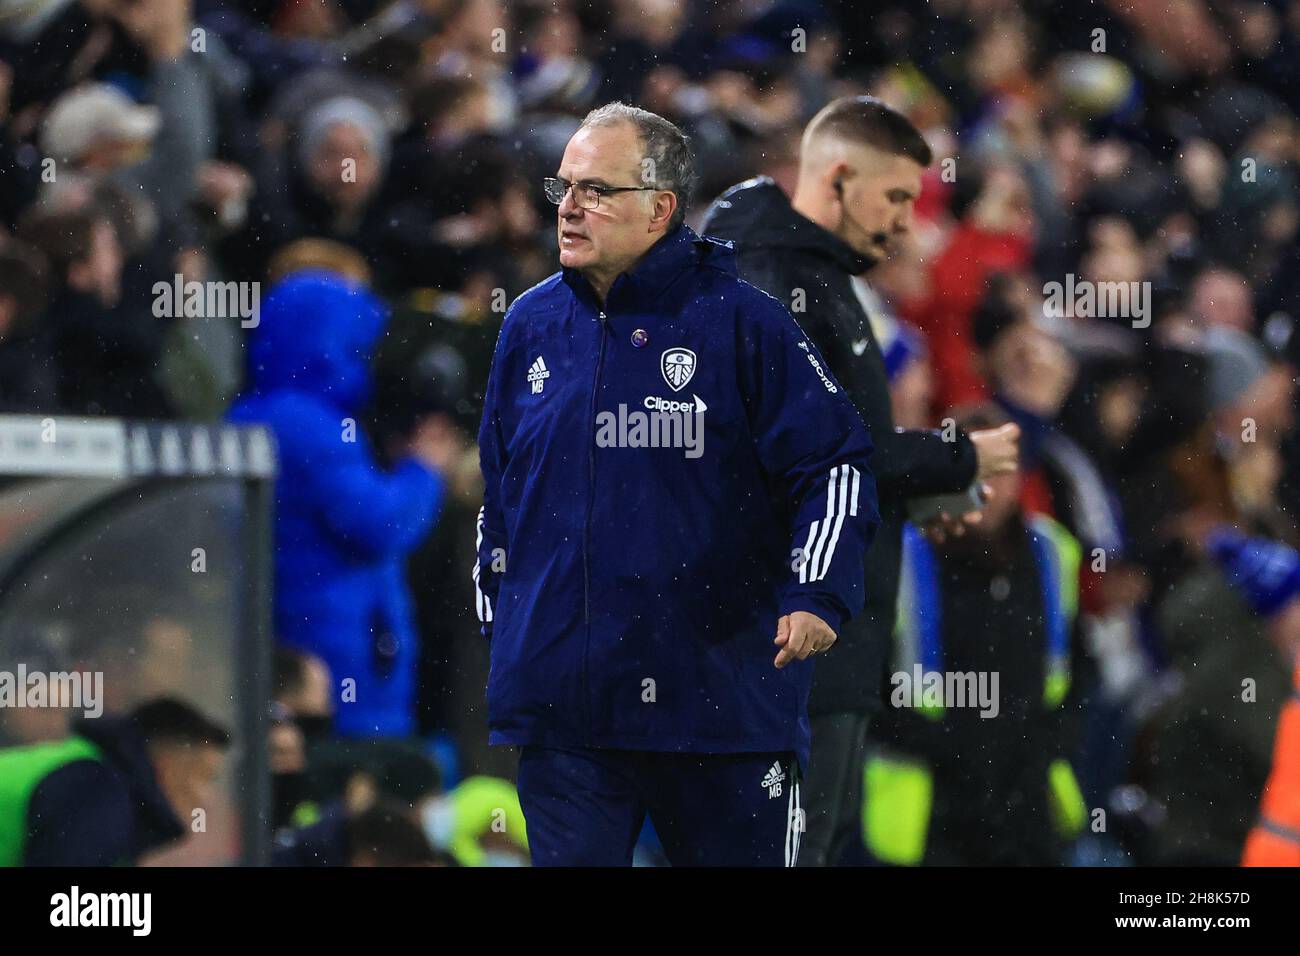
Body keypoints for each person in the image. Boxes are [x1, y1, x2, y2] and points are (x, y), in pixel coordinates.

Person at [474, 102, 879, 866]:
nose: (570, 207)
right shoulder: (528, 325)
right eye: (564, 187)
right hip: (566, 711)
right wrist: (509, 619)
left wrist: (816, 591)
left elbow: (835, 464)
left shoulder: (742, 323)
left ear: (661, 208)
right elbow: (501, 496)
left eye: (598, 190)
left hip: (719, 703)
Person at [701, 95, 1020, 865]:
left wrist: (914, 497)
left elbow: (841, 460)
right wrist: (959, 459)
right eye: (897, 197)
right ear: (838, 177)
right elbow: (812, 455)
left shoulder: (817, 276)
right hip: (785, 642)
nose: (907, 221)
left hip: (823, 640)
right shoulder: (774, 278)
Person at [228, 269, 462, 737]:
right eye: (358, 341)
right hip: (340, 674)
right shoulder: (309, 425)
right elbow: (380, 522)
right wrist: (425, 469)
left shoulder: (251, 414)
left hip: (297, 652)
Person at [864, 407, 1087, 866]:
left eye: (1000, 473)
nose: (988, 490)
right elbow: (869, 676)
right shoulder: (899, 553)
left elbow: (1080, 667)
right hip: (931, 806)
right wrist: (948, 745)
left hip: (1026, 801)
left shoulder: (1052, 551)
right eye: (974, 472)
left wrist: (1047, 740)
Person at [0, 697, 230, 866]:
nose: (206, 798)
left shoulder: (95, 773)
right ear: (167, 764)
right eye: (204, 776)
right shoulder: (98, 791)